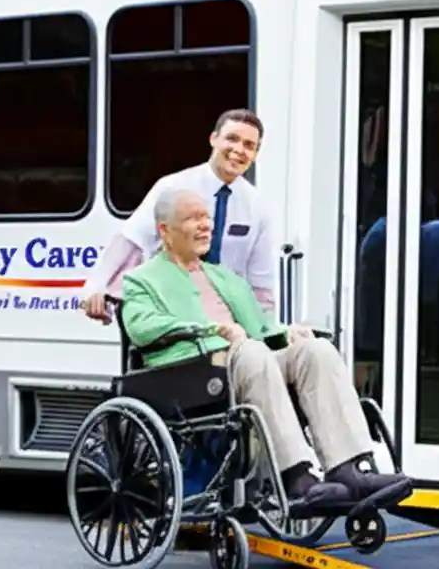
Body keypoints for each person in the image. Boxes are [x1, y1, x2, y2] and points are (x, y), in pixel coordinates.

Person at [119, 188, 412, 509]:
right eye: (193, 218)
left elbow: (261, 328)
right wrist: (210, 329)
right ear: (164, 230)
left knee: (316, 351)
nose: (205, 226)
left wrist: (288, 334)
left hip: (246, 359)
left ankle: (350, 468)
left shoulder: (224, 277)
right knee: (251, 352)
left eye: (207, 218)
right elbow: (141, 327)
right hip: (194, 371)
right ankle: (296, 475)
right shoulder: (141, 280)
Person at [83, 108, 275, 322]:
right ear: (213, 139)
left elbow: (261, 285)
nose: (239, 150)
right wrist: (96, 287)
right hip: (171, 307)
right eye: (232, 139)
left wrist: (266, 332)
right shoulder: (173, 187)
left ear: (256, 154)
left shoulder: (257, 207)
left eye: (249, 146)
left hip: (226, 315)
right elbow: (132, 241)